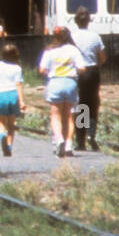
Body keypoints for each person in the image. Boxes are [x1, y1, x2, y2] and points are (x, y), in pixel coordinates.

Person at [38, 26, 87, 158]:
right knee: (69, 117)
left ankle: (59, 139)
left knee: (55, 115)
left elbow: (42, 69)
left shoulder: (49, 51)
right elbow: (82, 68)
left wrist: (51, 71)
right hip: (71, 83)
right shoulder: (73, 50)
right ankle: (69, 145)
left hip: (55, 83)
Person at [69, 7, 107, 152]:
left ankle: (81, 141)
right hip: (92, 72)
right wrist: (96, 65)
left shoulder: (72, 36)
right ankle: (92, 136)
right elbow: (102, 57)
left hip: (77, 73)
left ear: (76, 21)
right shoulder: (95, 37)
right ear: (89, 20)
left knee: (81, 105)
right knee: (93, 104)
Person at [0, 44, 25, 157]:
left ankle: (2, 135)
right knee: (11, 124)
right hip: (13, 95)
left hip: (0, 94)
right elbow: (18, 84)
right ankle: (9, 146)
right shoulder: (17, 68)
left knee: (0, 122)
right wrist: (21, 100)